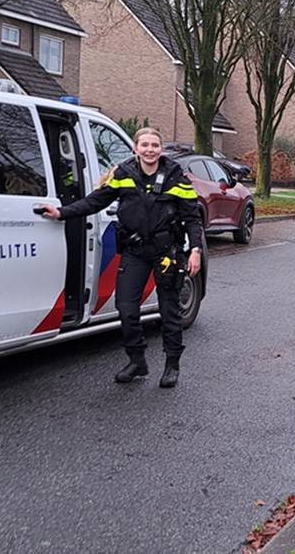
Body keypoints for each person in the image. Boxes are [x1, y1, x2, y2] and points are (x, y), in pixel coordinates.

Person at [38, 128, 203, 388]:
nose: (150, 150)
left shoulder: (176, 177)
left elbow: (192, 218)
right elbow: (94, 202)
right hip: (134, 252)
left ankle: (172, 365)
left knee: (169, 312)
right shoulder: (123, 174)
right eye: (144, 145)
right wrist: (61, 212)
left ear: (161, 149)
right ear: (135, 148)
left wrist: (195, 250)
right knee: (126, 309)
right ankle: (137, 361)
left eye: (155, 145)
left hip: (166, 254)